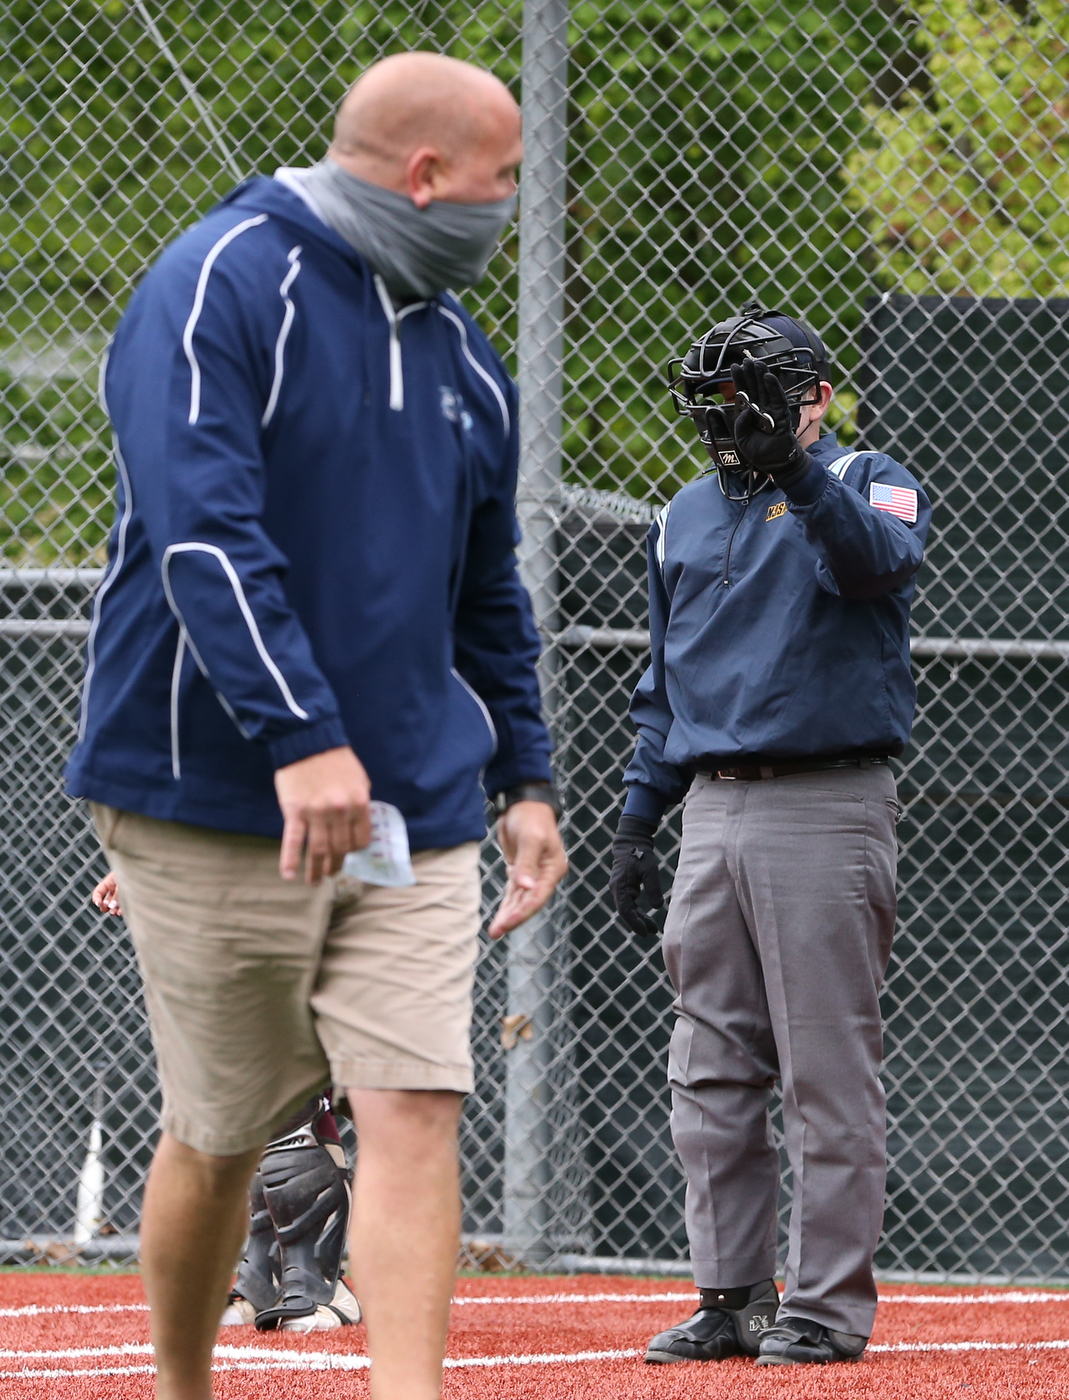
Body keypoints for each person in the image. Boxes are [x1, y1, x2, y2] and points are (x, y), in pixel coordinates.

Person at [67, 51, 567, 1400]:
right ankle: (183, 1385)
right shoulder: (217, 284)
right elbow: (203, 535)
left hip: (416, 809)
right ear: (427, 175)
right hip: (212, 795)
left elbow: (487, 590)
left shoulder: (464, 355)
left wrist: (525, 778)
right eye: (504, 179)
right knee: (223, 1134)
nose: (512, 206)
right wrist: (301, 737)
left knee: (413, 1105)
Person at [609, 304, 931, 1367]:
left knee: (824, 1069)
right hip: (711, 802)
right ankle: (733, 1295)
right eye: (718, 396)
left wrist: (796, 472)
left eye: (755, 393)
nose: (732, 412)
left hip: (825, 801)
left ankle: (826, 1307)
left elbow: (878, 565)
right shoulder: (683, 513)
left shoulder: (870, 476)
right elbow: (663, 682)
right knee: (707, 1066)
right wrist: (638, 819)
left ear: (816, 398)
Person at [92, 874, 360, 1334]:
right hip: (233, 874)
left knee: (288, 1069)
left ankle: (318, 1281)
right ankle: (266, 1275)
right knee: (247, 1086)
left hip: (313, 873)